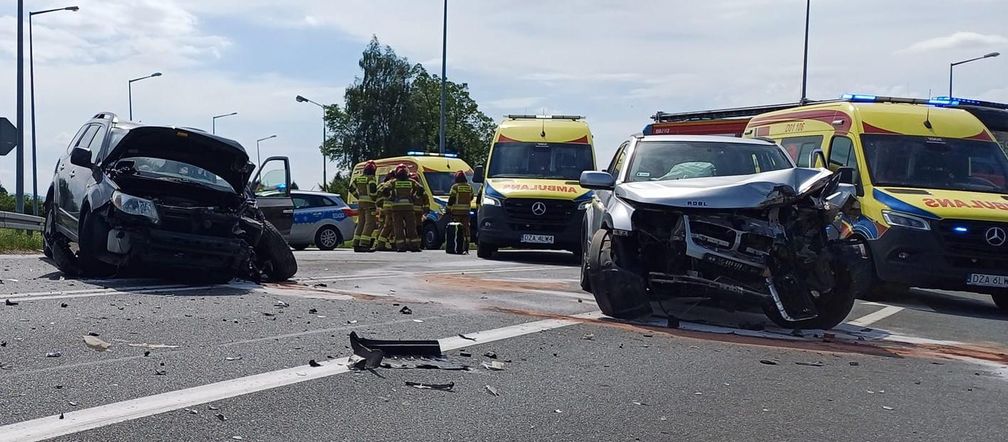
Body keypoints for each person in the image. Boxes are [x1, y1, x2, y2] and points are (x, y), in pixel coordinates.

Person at [383, 164, 423, 252]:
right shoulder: (411, 182)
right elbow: (420, 189)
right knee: (411, 227)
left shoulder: (393, 182)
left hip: (396, 208)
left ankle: (401, 246)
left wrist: (390, 198)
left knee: (398, 228)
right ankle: (414, 246)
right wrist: (415, 198)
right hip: (409, 207)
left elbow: (384, 189)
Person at [349, 161, 379, 252]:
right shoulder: (371, 179)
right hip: (369, 204)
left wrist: (358, 196)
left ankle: (356, 244)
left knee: (361, 223)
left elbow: (351, 188)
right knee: (369, 224)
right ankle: (364, 244)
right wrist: (375, 199)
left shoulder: (359, 178)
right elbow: (373, 192)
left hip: (360, 204)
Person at [372, 171, 397, 251]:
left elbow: (376, 197)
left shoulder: (380, 185)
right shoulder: (391, 185)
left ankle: (378, 243)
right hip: (389, 208)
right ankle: (386, 244)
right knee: (389, 226)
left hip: (382, 209)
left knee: (382, 226)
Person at [446, 170, 474, 245]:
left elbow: (452, 198)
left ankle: (457, 244)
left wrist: (448, 208)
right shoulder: (469, 187)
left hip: (456, 212)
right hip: (466, 212)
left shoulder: (455, 187)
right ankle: (466, 244)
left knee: (457, 228)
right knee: (466, 228)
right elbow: (471, 197)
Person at [409, 171, 429, 246]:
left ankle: (411, 244)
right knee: (418, 228)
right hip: (418, 213)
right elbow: (426, 202)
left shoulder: (409, 190)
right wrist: (425, 212)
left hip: (410, 212)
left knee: (411, 228)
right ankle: (419, 244)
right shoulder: (422, 190)